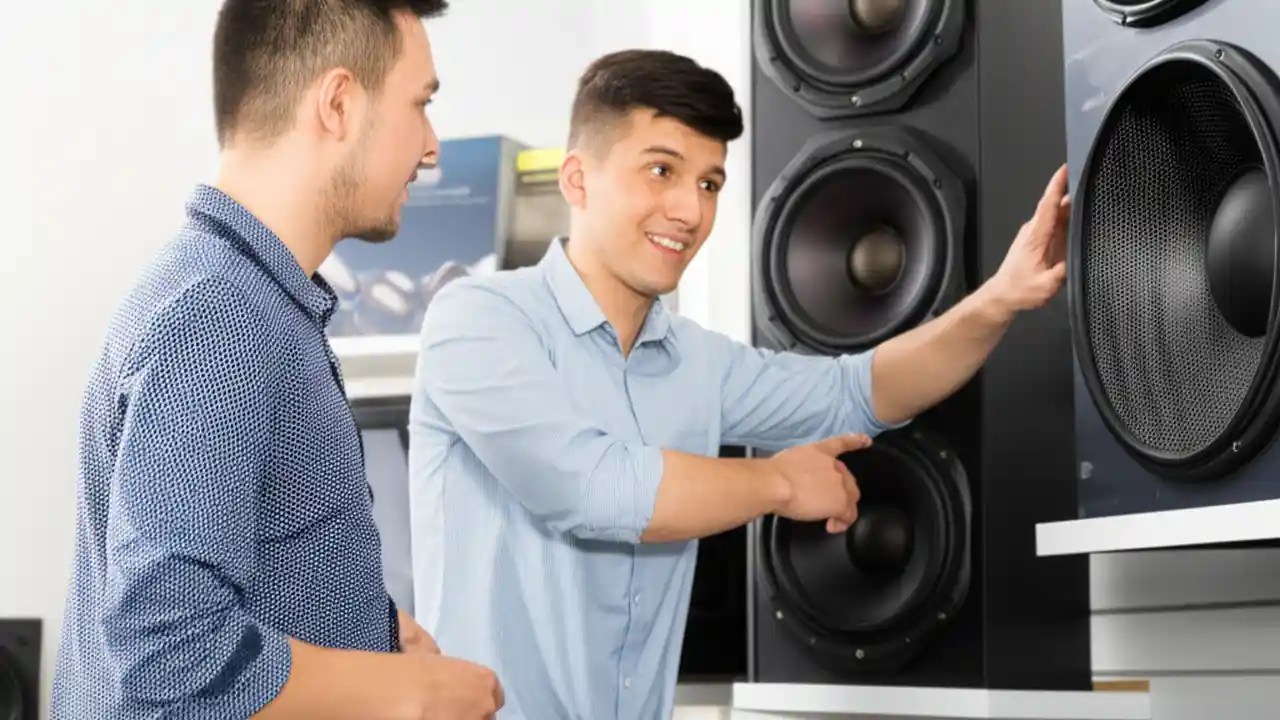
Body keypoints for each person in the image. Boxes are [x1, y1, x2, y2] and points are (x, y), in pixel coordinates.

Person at [407, 48, 1070, 719]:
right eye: (662, 170)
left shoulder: (700, 363)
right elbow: (589, 486)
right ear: (577, 180)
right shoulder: (478, 319)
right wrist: (780, 483)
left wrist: (1000, 300)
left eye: (709, 184)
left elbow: (860, 392)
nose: (690, 211)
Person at [51, 1, 504, 718]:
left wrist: (372, 632)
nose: (431, 147)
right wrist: (405, 690)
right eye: (419, 105)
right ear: (339, 103)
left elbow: (261, 568)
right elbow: (172, 659)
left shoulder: (248, 301)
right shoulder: (219, 317)